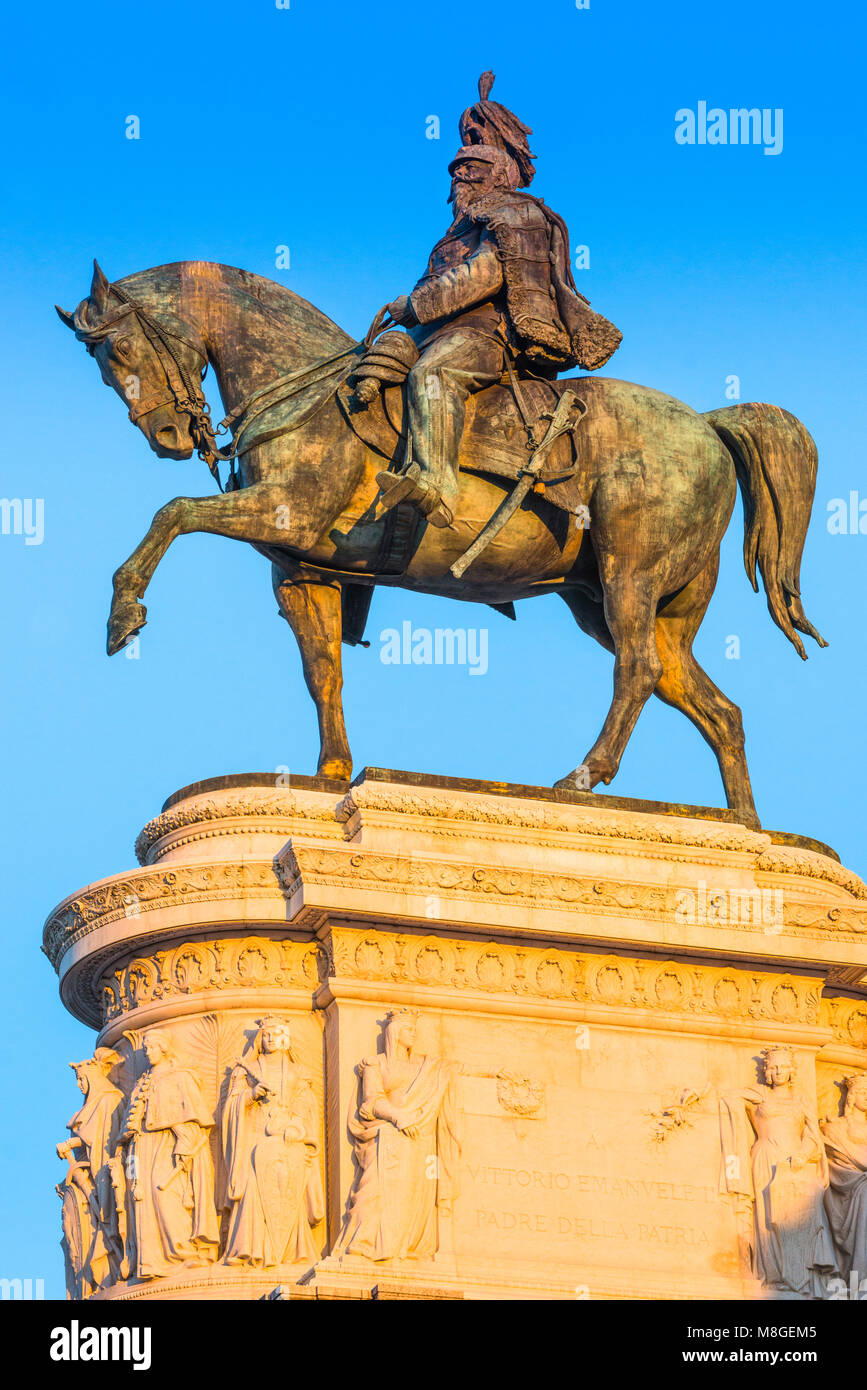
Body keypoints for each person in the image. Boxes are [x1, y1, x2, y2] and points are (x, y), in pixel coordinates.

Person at [375, 76, 620, 528]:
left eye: (469, 172)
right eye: (456, 174)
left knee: (433, 375)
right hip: (437, 332)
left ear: (496, 173)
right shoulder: (455, 232)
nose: (458, 182)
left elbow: (483, 276)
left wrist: (417, 303)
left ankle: (436, 485)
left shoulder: (514, 213)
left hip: (488, 336)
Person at [335, 1009, 460, 1261]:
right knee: (372, 1189)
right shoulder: (376, 1063)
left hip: (422, 1137)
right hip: (388, 1135)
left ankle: (408, 1246)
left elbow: (459, 1069)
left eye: (414, 1029)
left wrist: (496, 1071)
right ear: (393, 1033)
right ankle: (367, 1241)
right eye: (408, 1029)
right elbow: (370, 1102)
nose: (413, 1033)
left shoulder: (429, 1066)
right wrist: (397, 1117)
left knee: (417, 1192)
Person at [719, 1047, 837, 1297]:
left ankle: (800, 1276)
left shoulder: (801, 1100)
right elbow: (729, 1097)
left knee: (798, 1217)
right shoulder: (759, 1094)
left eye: (783, 1066)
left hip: (797, 1161)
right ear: (766, 1072)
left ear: (792, 1071)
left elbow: (813, 1137)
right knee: (768, 1218)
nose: (778, 1071)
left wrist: (803, 1154)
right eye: (773, 1067)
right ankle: (774, 1275)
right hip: (766, 1157)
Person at [222, 1016, 323, 1268]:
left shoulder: (298, 1072)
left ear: (286, 1039)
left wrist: (296, 1124)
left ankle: (292, 1252)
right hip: (254, 1139)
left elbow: (306, 1103)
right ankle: (251, 1250)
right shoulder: (245, 1069)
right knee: (252, 1192)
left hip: (288, 1140)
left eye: (276, 1034)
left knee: (289, 1193)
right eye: (266, 1034)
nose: (270, 1039)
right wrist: (251, 1095)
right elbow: (232, 1106)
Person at [119, 1028, 219, 1279]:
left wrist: (185, 1144)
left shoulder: (179, 1078)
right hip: (140, 1148)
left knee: (164, 1194)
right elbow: (130, 1129)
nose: (148, 1052)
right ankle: (150, 1261)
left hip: (166, 1145)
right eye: (145, 1049)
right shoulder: (142, 1082)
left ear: (164, 1049)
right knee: (141, 1199)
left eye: (152, 1048)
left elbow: (190, 1118)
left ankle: (183, 1252)